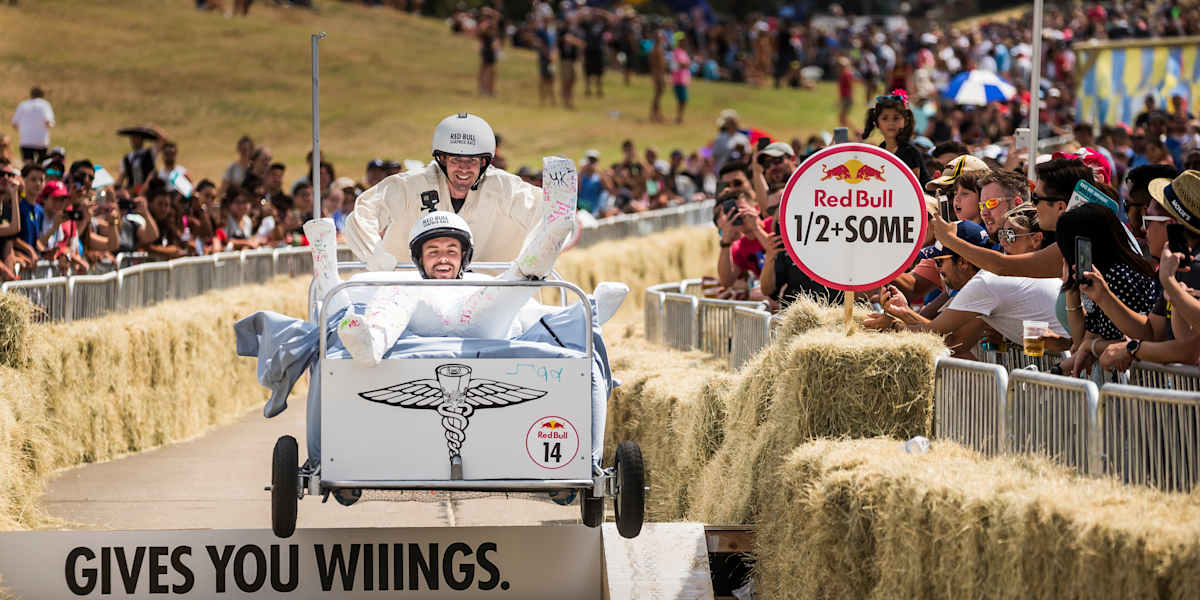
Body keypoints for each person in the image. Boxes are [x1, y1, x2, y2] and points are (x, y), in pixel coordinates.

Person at [343, 113, 545, 269]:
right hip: (410, 292)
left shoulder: (506, 188)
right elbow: (363, 214)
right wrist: (378, 257)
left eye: (472, 161)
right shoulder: (411, 185)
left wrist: (531, 260)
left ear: (484, 162)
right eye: (456, 160)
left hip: (490, 296)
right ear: (442, 160)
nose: (464, 168)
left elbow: (546, 216)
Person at [866, 219, 1068, 358]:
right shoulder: (986, 285)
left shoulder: (985, 284)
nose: (939, 270)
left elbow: (952, 341)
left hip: (1075, 362)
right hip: (1068, 357)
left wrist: (892, 326)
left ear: (962, 262)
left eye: (940, 262)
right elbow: (952, 339)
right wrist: (905, 313)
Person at [1058, 204, 1160, 377]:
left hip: (1141, 380)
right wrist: (1071, 287)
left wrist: (1092, 346)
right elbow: (1081, 339)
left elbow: (1131, 339)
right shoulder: (1099, 278)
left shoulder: (1119, 276)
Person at [862, 90, 930, 186]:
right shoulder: (881, 149)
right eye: (885, 118)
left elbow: (912, 187)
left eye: (896, 118)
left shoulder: (909, 151)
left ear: (905, 121)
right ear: (877, 123)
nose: (891, 123)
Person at [976, 170, 1030, 237]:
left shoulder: (1038, 243)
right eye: (982, 205)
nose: (983, 213)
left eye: (991, 203)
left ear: (1017, 204)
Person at [11, 87, 55, 165]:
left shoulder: (23, 105)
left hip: (26, 140)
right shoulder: (45, 105)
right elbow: (48, 122)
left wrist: (23, 130)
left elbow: (14, 124)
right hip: (41, 141)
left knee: (28, 166)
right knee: (41, 165)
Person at [669, 35, 691, 125]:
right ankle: (679, 117)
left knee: (683, 100)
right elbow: (674, 66)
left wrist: (685, 64)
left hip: (684, 79)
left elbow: (686, 64)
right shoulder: (676, 52)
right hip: (678, 79)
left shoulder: (683, 52)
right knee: (681, 100)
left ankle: (680, 117)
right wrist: (684, 65)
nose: (684, 42)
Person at [648, 30, 667, 123]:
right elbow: (656, 65)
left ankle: (657, 113)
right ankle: (655, 114)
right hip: (658, 75)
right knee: (658, 95)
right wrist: (658, 76)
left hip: (659, 74)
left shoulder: (658, 49)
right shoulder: (656, 50)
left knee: (658, 95)